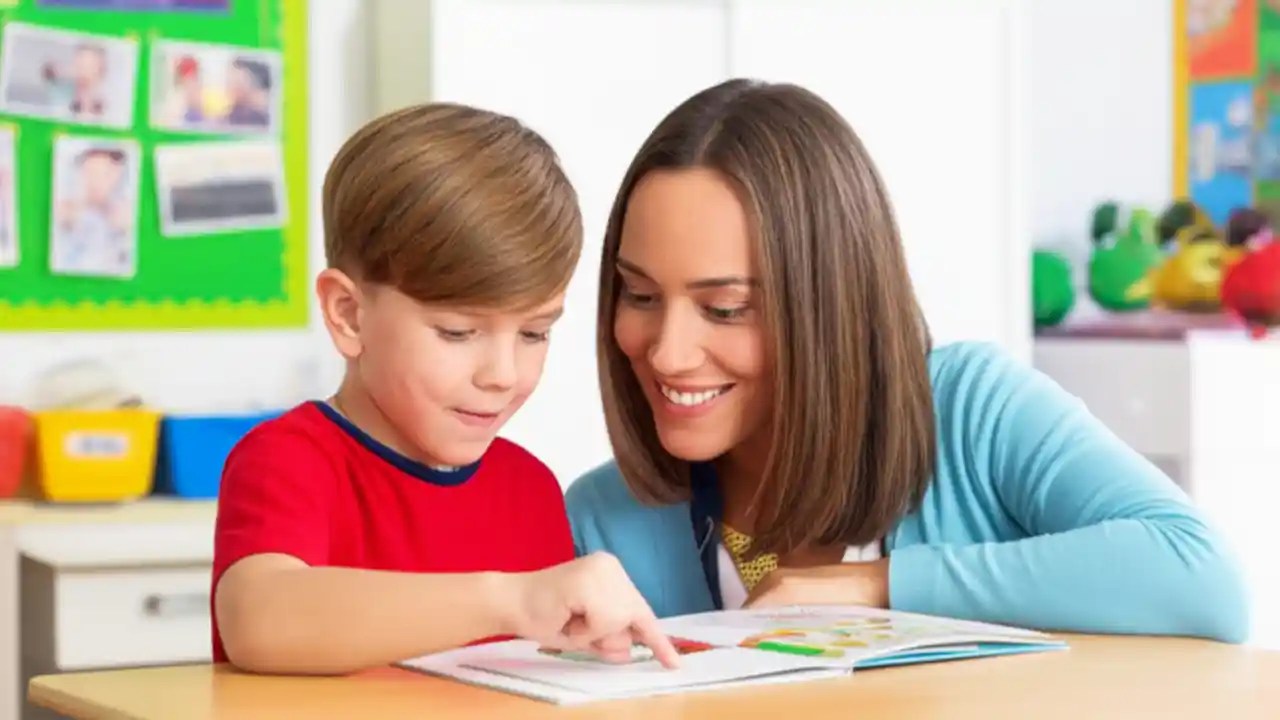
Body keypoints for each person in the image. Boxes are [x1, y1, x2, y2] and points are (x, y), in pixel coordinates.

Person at [566, 79, 1250, 643]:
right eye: (641, 294)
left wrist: (875, 585)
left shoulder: (974, 412)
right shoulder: (606, 520)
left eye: (725, 308)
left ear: (827, 303)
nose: (666, 351)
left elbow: (1202, 579)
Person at [212, 103, 679, 675]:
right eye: (458, 332)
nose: (503, 373)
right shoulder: (290, 461)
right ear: (349, 315)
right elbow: (260, 622)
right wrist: (507, 600)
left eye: (534, 332)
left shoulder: (528, 489)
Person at [53, 147, 132, 276]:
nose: (96, 181)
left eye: (105, 174)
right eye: (91, 172)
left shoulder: (125, 215)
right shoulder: (64, 211)